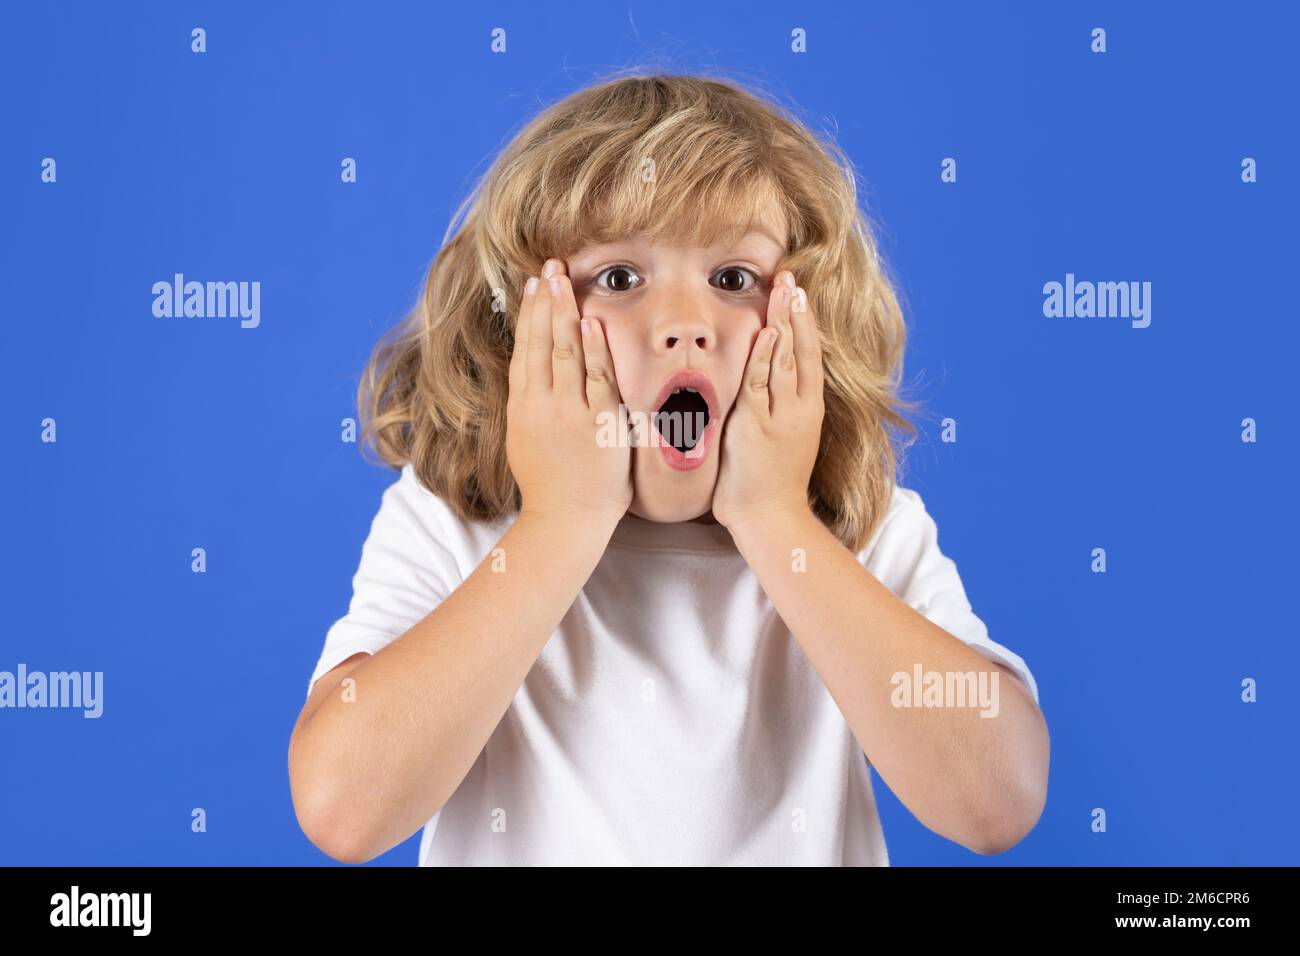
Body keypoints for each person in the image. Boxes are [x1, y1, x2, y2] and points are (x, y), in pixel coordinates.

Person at [288, 72, 1049, 866]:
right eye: (618, 279)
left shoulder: (859, 529)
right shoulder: (456, 523)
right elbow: (345, 809)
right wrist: (561, 522)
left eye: (733, 279)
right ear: (520, 326)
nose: (685, 325)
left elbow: (998, 799)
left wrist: (776, 519)